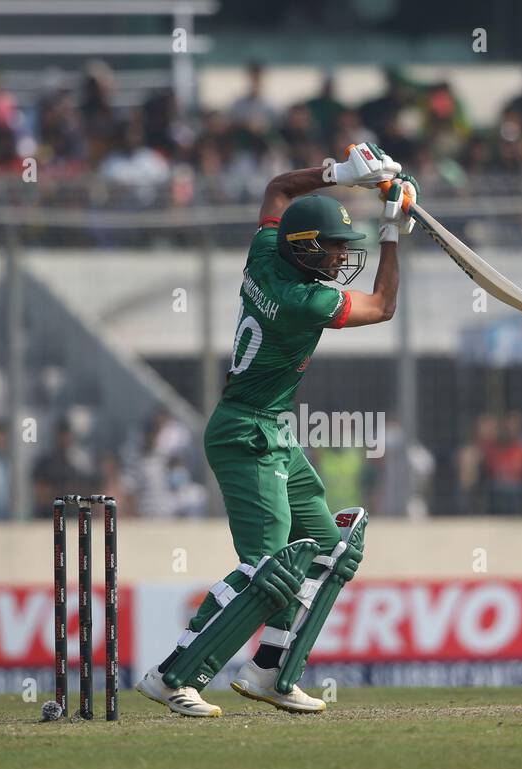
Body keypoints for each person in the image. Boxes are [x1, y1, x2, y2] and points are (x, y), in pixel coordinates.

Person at [135, 143, 413, 717]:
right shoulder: (302, 300)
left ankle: (271, 672)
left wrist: (338, 175)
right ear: (307, 249)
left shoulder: (266, 253)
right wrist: (392, 230)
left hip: (272, 431)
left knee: (330, 551)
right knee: (269, 569)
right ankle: (171, 676)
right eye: (335, 248)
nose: (342, 257)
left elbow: (278, 191)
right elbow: (384, 305)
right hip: (246, 435)